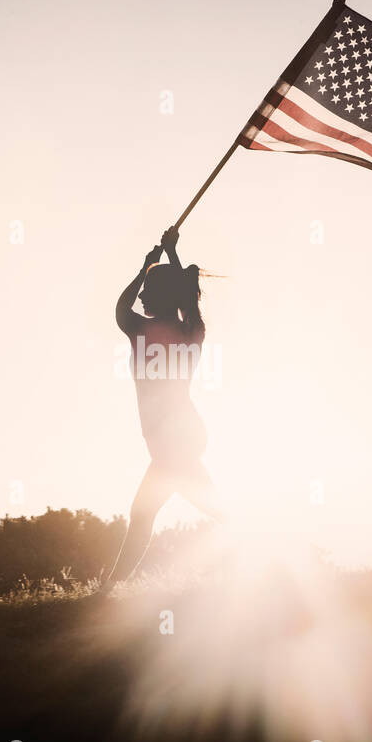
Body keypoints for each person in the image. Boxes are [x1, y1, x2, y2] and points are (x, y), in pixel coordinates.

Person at [100, 225, 224, 592]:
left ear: (163, 295)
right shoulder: (193, 331)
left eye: (148, 290)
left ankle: (108, 589)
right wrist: (168, 256)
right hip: (183, 436)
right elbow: (184, 301)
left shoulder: (140, 330)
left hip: (174, 441)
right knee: (210, 508)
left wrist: (146, 264)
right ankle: (274, 555)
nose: (141, 296)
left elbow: (119, 307)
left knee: (143, 514)